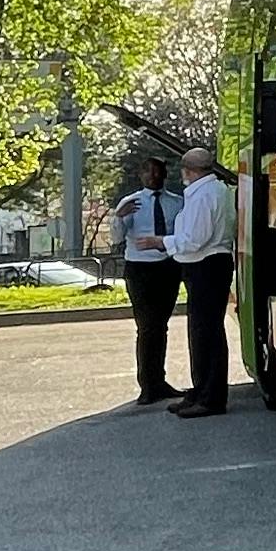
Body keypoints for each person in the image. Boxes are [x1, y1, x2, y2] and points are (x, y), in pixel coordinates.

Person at [167, 143, 237, 418]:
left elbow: (194, 240)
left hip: (206, 264)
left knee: (206, 332)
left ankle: (211, 396)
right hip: (212, 264)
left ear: (189, 170)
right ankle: (201, 390)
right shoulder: (217, 189)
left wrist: (163, 242)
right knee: (204, 332)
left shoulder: (203, 195)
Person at [113, 152, 179, 406]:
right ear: (140, 175)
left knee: (160, 326)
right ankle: (148, 385)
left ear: (164, 174)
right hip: (140, 269)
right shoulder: (130, 202)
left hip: (167, 268)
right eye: (148, 171)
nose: (153, 176)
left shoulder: (177, 202)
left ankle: (159, 381)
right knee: (146, 326)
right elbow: (117, 238)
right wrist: (119, 217)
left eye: (157, 171)